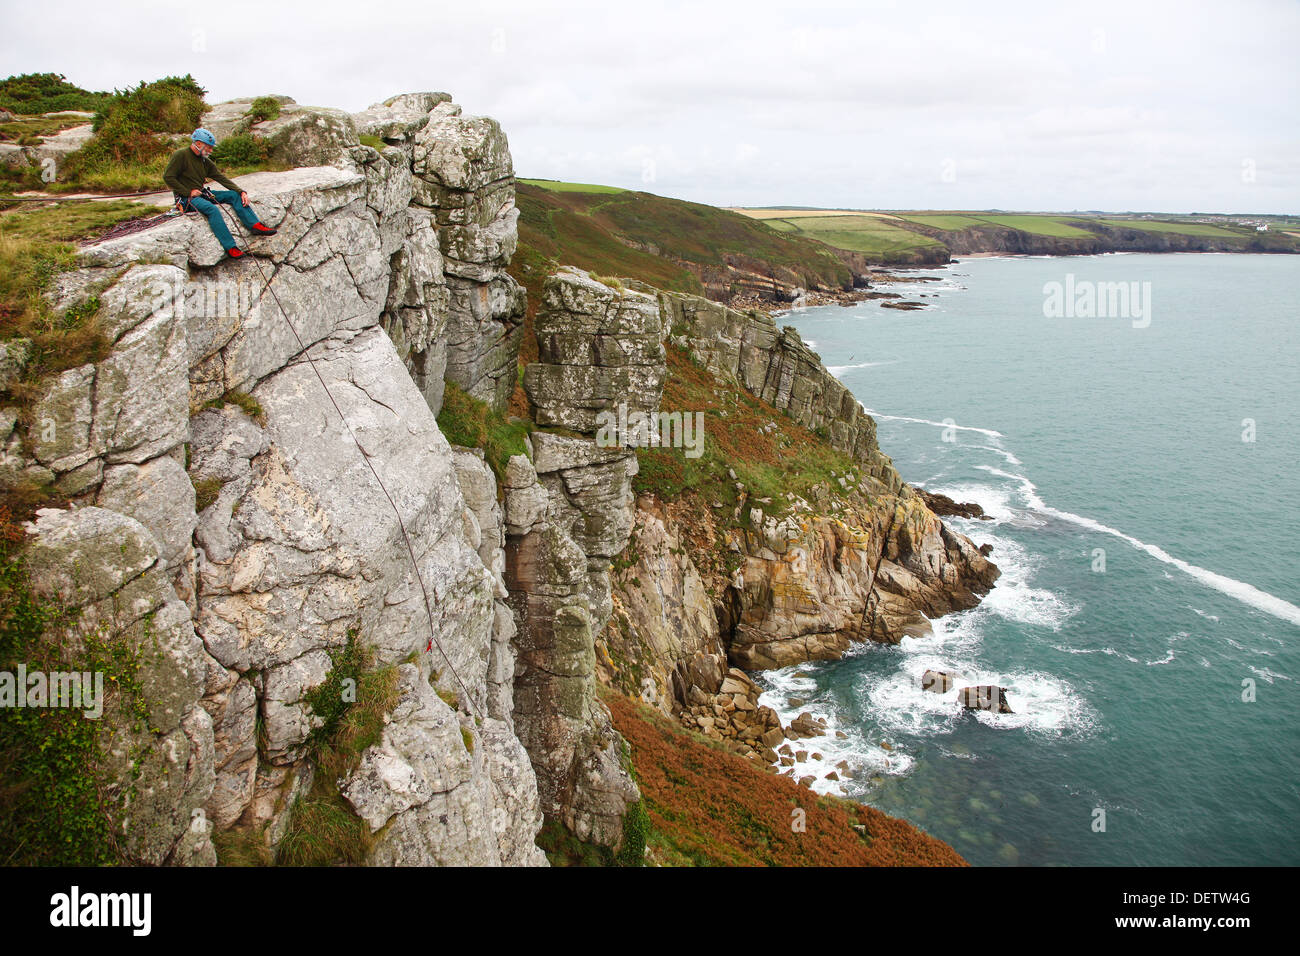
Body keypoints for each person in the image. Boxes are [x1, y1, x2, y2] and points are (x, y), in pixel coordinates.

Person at [164, 128, 276, 259]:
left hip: (201, 193)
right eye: (209, 147)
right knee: (212, 210)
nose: (211, 151)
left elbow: (220, 177)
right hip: (186, 198)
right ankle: (231, 247)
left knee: (233, 196)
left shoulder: (204, 161)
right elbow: (168, 177)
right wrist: (188, 192)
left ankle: (255, 225)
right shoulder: (181, 155)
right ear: (199, 143)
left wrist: (241, 191)